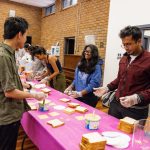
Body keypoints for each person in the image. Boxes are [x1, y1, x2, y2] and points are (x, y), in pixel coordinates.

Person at [0, 17, 46, 150]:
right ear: (19, 35)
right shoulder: (4, 56)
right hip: (6, 116)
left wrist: (24, 86)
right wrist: (34, 95)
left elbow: (9, 80)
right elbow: (9, 92)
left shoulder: (9, 53)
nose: (26, 39)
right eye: (26, 35)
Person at [94, 26, 150, 120]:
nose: (126, 48)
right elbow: (120, 79)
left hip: (136, 110)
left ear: (139, 41)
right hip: (116, 104)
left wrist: (137, 98)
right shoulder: (124, 58)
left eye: (129, 44)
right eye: (124, 44)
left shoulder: (148, 60)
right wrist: (107, 88)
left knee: (129, 134)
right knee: (109, 130)